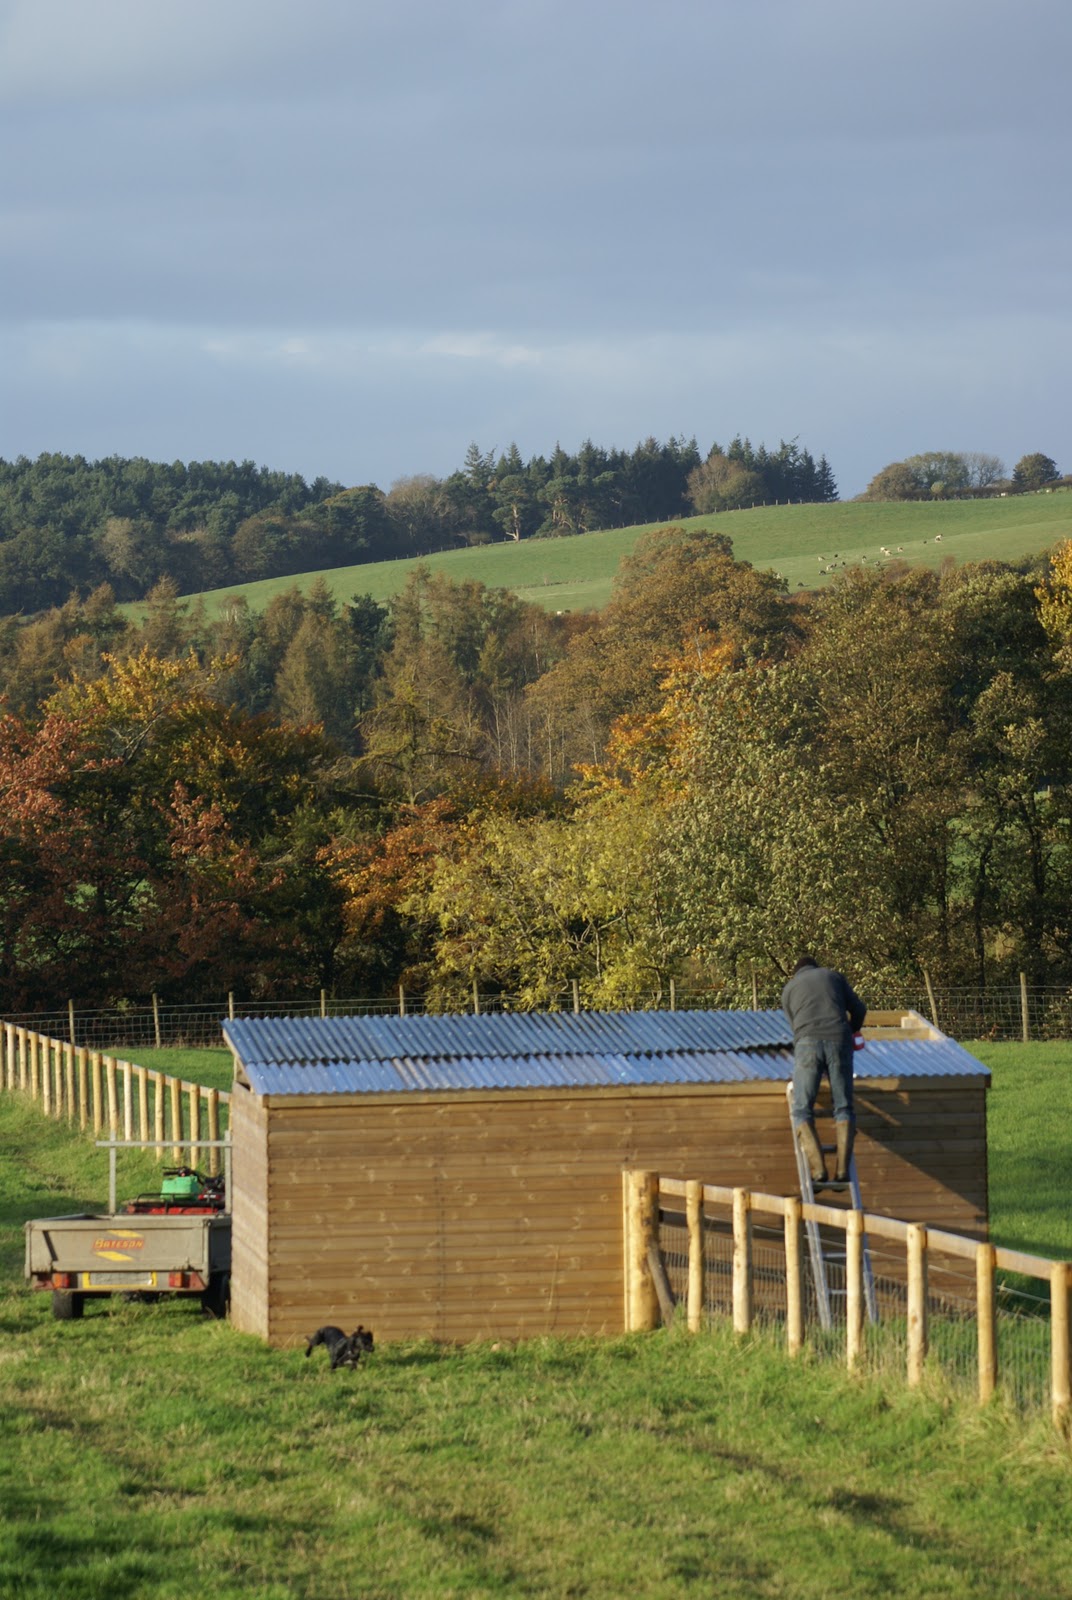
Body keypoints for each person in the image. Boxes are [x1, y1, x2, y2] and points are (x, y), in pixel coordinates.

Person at [781, 955, 867, 1186]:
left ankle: (818, 1170)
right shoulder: (833, 977)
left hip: (807, 1043)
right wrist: (851, 1030)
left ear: (796, 972)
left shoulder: (789, 989)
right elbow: (859, 1009)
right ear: (816, 967)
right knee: (844, 1106)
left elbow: (795, 1027)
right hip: (839, 1039)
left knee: (801, 1109)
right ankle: (842, 1171)